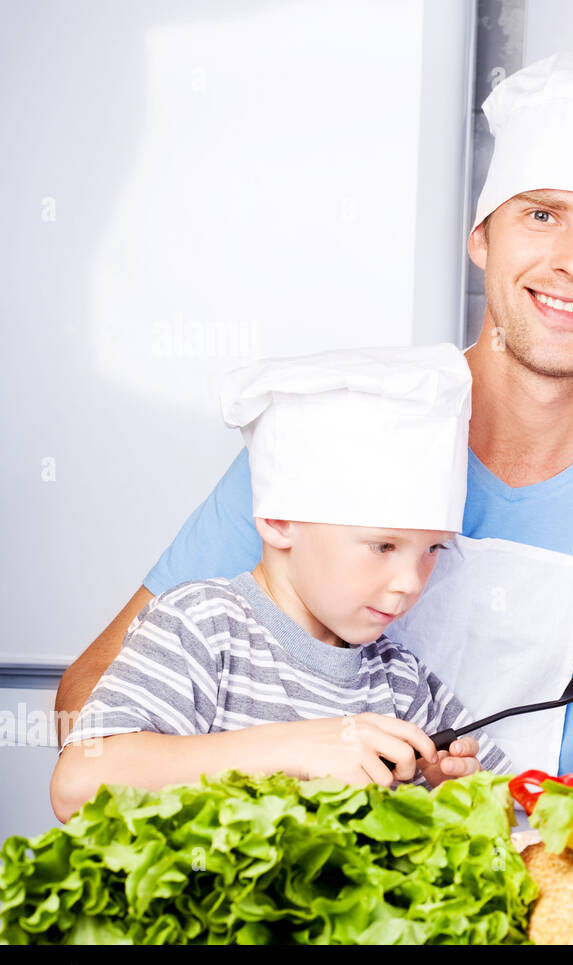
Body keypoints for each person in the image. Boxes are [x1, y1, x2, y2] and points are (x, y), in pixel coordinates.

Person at [55, 46, 573, 777]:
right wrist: (287, 770)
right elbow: (85, 705)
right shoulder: (330, 428)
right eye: (541, 214)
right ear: (481, 237)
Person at [50, 345, 504, 823]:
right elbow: (77, 785)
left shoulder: (400, 682)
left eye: (432, 550)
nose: (410, 583)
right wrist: (294, 747)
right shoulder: (201, 626)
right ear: (279, 521)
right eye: (383, 547)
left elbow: (513, 804)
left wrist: (455, 794)